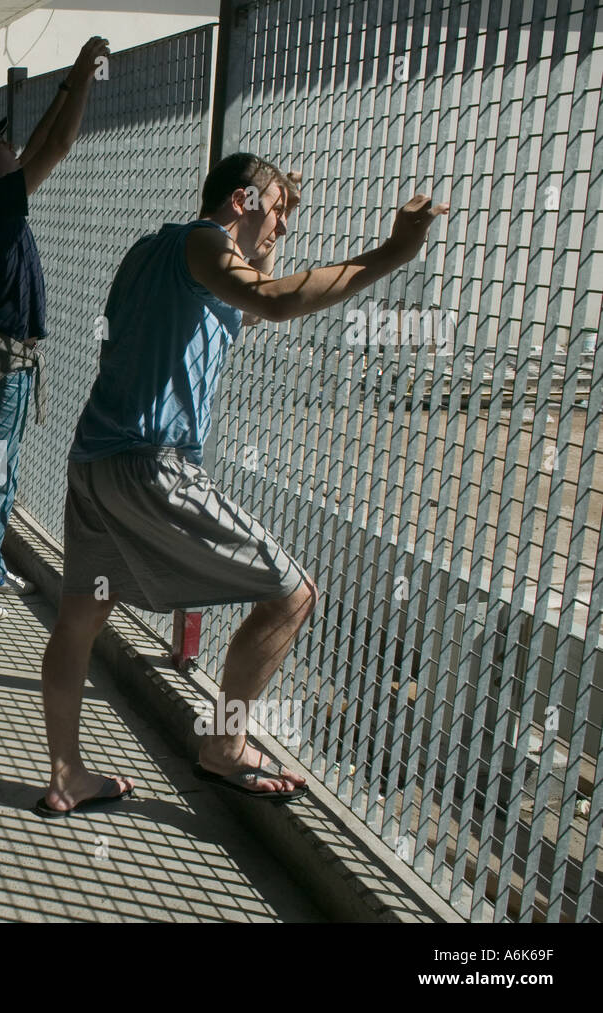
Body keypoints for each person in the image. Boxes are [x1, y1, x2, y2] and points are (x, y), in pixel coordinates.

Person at [35, 153, 449, 815]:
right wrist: (393, 253)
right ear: (240, 201)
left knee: (80, 617)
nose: (281, 230)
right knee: (293, 593)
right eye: (278, 210)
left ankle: (66, 775)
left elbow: (269, 301)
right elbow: (275, 300)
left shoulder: (153, 254)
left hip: (94, 462)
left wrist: (304, 284)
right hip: (150, 462)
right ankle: (224, 745)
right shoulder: (204, 241)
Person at [0, 36, 110, 622]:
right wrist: (83, 74)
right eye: (0, 145)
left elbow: (38, 143)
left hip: (6, 357)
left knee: (1, 469)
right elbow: (57, 144)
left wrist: (65, 85)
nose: (13, 146)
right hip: (0, 360)